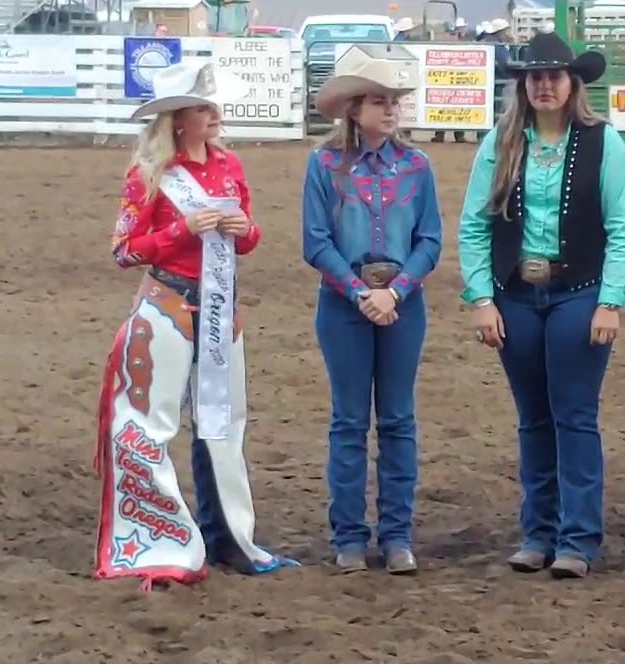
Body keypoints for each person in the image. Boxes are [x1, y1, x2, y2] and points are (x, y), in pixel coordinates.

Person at [94, 60, 298, 589]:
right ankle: (160, 540)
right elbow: (123, 250)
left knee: (223, 424)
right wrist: (180, 230)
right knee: (152, 424)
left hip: (219, 306)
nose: (214, 113)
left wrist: (244, 229)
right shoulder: (149, 175)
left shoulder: (230, 166)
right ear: (178, 120)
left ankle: (228, 537)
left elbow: (247, 239)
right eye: (202, 107)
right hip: (168, 304)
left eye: (212, 105)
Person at [457, 32, 625, 579]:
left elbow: (623, 227)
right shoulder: (501, 142)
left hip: (579, 292)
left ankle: (577, 538)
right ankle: (539, 533)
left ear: (572, 83)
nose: (544, 85)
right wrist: (481, 297)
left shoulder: (605, 143)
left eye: (554, 76)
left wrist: (611, 300)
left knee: (574, 416)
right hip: (514, 294)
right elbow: (474, 225)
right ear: (523, 85)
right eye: (534, 77)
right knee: (534, 418)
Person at [303, 44, 443, 575]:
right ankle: (350, 535)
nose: (391, 110)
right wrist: (362, 293)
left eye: (393, 101)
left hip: (399, 303)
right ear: (354, 109)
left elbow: (430, 239)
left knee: (398, 419)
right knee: (349, 420)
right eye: (379, 101)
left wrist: (395, 291)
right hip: (348, 304)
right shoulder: (323, 166)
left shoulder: (417, 167)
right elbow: (316, 242)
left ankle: (397, 534)